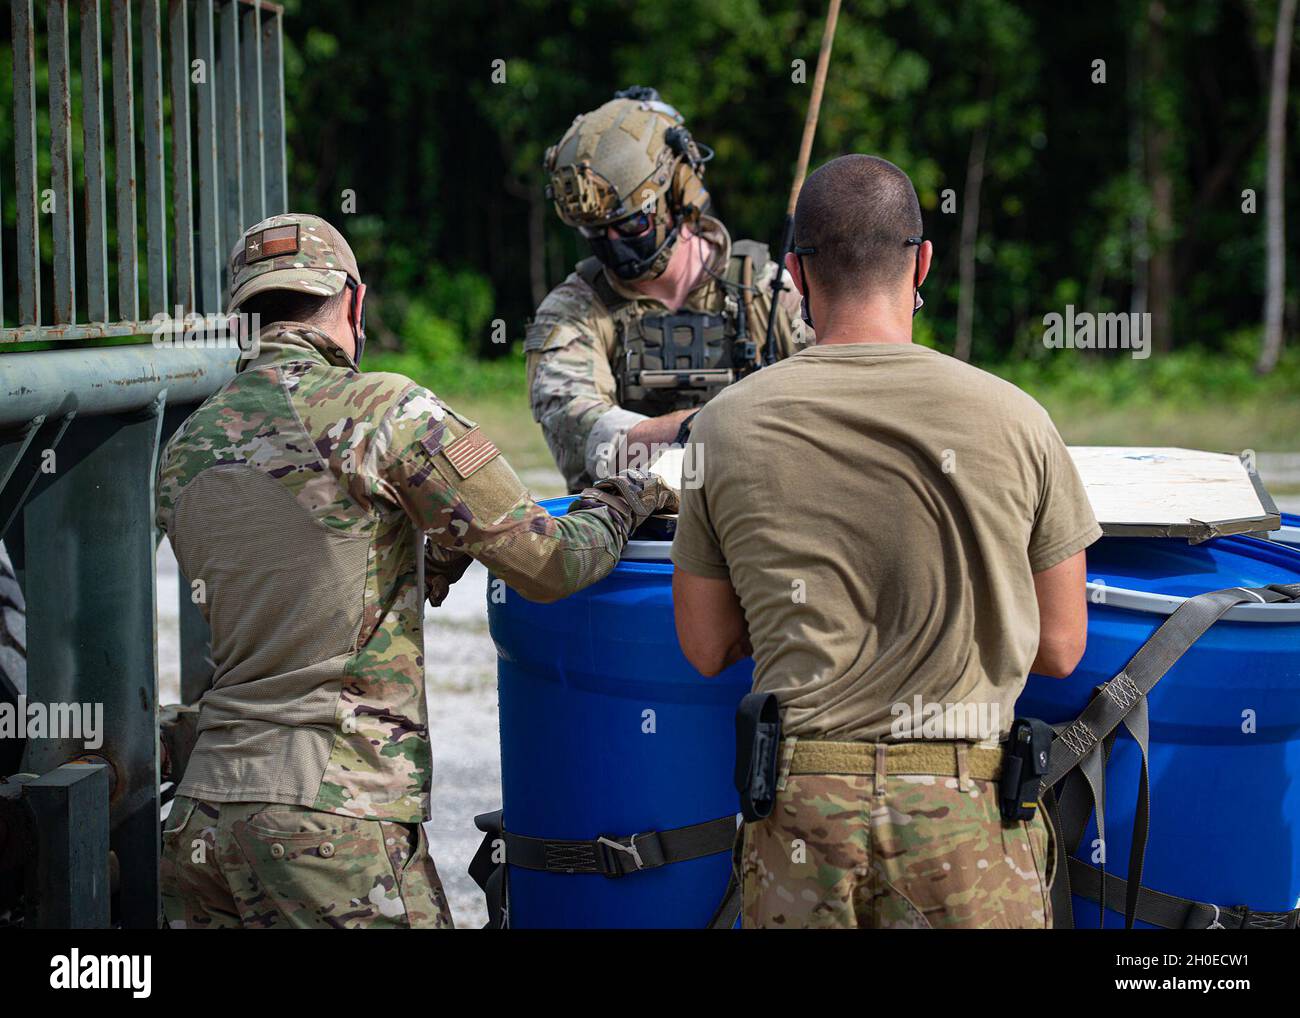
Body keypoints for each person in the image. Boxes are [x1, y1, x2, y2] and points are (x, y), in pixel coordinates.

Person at [155, 212, 676, 929]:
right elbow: (551, 563)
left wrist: (431, 554)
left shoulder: (186, 445)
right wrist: (631, 492)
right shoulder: (384, 411)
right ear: (354, 302)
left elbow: (308, 571)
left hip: (202, 821)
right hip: (334, 821)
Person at [670, 155, 1101, 929]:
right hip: (965, 819)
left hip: (804, 813)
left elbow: (705, 645)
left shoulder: (724, 427)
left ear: (796, 275)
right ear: (923, 260)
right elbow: (1063, 645)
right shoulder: (1017, 419)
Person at [527, 86, 805, 493]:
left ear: (679, 192)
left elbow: (843, 397)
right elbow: (584, 435)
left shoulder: (771, 292)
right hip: (631, 541)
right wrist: (730, 426)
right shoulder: (573, 312)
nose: (615, 245)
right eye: (595, 232)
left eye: (633, 224)